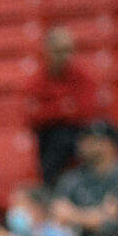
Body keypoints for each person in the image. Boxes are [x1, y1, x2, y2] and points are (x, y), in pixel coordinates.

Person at [26, 26, 102, 189]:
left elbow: (87, 110)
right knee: (60, 137)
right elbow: (31, 116)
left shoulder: (82, 76)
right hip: (49, 136)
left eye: (69, 51)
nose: (65, 56)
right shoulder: (36, 81)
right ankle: (50, 187)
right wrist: (64, 108)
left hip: (81, 132)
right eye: (59, 51)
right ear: (47, 52)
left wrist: (52, 109)